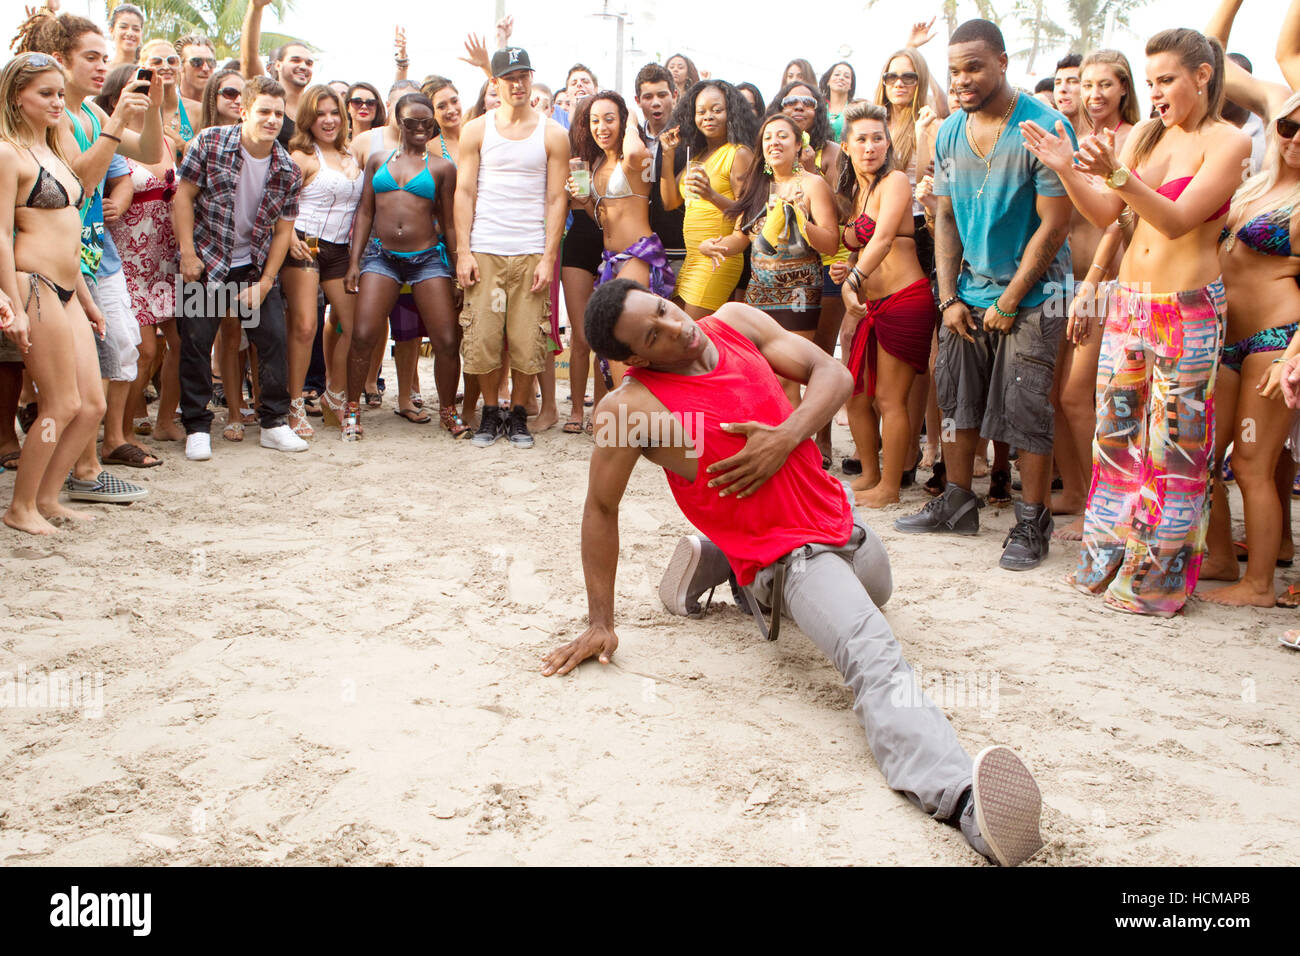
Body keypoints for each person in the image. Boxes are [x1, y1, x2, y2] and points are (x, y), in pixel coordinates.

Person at [542, 278, 1045, 870]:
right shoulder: (633, 410)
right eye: (654, 334)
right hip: (790, 559)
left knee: (878, 586)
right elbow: (601, 507)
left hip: (839, 523)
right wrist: (601, 621)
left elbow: (834, 376)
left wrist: (786, 436)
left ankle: (721, 555)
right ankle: (959, 797)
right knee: (872, 650)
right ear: (636, 358)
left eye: (665, 309)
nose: (676, 326)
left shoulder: (735, 323)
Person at [1021, 27, 1250, 614]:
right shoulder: (1147, 135)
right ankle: (1104, 563)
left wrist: (1121, 176)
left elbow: (1175, 221)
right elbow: (1107, 213)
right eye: (1150, 82)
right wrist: (1069, 169)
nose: (1156, 93)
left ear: (1202, 76)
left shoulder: (1227, 142)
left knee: (1174, 447)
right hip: (1129, 303)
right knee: (1115, 437)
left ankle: (1156, 584)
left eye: (1166, 80)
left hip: (1188, 309)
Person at [895, 19, 1074, 574]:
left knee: (1025, 405)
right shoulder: (950, 130)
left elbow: (1055, 226)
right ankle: (958, 500)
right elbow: (944, 218)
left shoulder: (1042, 126)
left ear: (1001, 61)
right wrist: (949, 296)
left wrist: (1009, 300)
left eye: (974, 66)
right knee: (955, 398)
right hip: (969, 290)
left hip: (1038, 293)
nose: (964, 79)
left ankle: (1031, 518)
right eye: (955, 71)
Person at [0, 52, 109, 534]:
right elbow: (3, 235)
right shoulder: (7, 154)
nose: (57, 102)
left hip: (68, 289)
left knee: (92, 406)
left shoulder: (55, 150)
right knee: (60, 404)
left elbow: (70, 232)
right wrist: (9, 303)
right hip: (33, 286)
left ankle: (46, 498)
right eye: (45, 93)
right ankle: (20, 506)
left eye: (60, 93)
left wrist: (86, 301)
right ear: (15, 96)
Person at [172, 75, 308, 461]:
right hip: (207, 260)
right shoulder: (211, 143)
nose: (272, 119)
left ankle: (273, 424)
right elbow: (183, 198)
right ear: (245, 111)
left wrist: (266, 282)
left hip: (253, 265)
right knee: (196, 343)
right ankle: (197, 427)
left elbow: (284, 232)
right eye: (264, 111)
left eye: (279, 113)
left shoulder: (287, 168)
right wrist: (187, 253)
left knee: (274, 339)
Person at [1200, 92, 1300, 607]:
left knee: (1253, 464)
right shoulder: (1254, 187)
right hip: (1226, 341)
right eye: (1289, 126)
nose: (1297, 137)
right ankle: (1220, 556)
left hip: (1274, 341)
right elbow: (1220, 75)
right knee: (1206, 457)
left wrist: (1292, 356)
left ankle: (1260, 584)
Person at [454, 47, 569, 448]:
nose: (518, 84)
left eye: (524, 75)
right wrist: (464, 251)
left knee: (526, 338)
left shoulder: (552, 133)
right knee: (483, 335)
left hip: (530, 249)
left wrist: (548, 257)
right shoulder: (476, 129)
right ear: (495, 83)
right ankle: (490, 411)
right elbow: (464, 190)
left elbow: (557, 199)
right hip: (485, 246)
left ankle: (518, 412)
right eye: (510, 77)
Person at [1050, 50, 1140, 536]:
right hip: (1063, 282)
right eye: (1087, 85)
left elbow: (1118, 219)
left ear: (1124, 88)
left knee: (1077, 396)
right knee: (1053, 394)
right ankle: (1075, 490)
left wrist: (1090, 287)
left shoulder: (1133, 140)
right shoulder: (1077, 142)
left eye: (1106, 84)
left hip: (1107, 282)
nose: (1094, 94)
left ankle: (1100, 507)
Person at [344, 92, 467, 439]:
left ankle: (447, 411)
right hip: (381, 256)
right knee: (364, 334)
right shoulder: (377, 160)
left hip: (427, 258)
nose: (420, 128)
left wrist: (457, 271)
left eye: (427, 123)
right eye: (412, 121)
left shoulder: (442, 167)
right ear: (398, 121)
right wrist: (355, 262)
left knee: (445, 339)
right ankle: (352, 410)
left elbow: (450, 222)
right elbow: (365, 212)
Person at [697, 113, 837, 402]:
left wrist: (801, 220)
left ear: (799, 144)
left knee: (787, 378)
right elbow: (741, 237)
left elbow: (832, 243)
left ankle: (794, 444)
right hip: (759, 293)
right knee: (759, 375)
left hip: (798, 292)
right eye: (768, 137)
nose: (774, 142)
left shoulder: (812, 185)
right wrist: (713, 246)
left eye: (783, 136)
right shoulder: (757, 185)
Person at [838, 103, 937, 508]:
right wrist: (847, 268)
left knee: (889, 399)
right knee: (856, 395)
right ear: (846, 147)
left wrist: (852, 280)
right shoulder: (858, 191)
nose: (869, 146)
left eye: (877, 137)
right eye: (860, 139)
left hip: (904, 299)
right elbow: (855, 246)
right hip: (871, 305)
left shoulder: (895, 180)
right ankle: (871, 473)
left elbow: (879, 241)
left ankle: (890, 488)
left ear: (887, 142)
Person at [98, 64, 183, 450]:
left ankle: (165, 420)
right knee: (143, 349)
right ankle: (124, 429)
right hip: (127, 254)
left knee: (178, 343)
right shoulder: (108, 137)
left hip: (167, 255)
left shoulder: (164, 141)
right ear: (117, 95)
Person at [284, 85, 363, 438]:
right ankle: (294, 404)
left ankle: (334, 394)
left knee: (354, 326)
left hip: (340, 250)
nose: (328, 120)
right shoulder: (301, 156)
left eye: (334, 112)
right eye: (320, 114)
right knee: (305, 327)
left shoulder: (353, 155)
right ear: (308, 119)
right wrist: (287, 238)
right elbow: (277, 202)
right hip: (304, 243)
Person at [659, 80, 756, 319]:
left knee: (691, 336)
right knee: (681, 332)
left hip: (718, 257)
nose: (708, 117)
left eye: (716, 110)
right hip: (693, 258)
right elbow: (670, 202)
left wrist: (711, 196)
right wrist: (669, 156)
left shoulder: (739, 153)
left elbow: (750, 213)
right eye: (701, 112)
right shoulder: (699, 156)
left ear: (730, 113)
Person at [240, 0, 313, 147]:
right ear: (278, 65)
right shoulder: (264, 93)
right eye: (295, 60)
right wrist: (256, 8)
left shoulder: (314, 107)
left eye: (309, 63)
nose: (303, 66)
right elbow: (249, 59)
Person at [137, 38, 191, 162]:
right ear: (143, 67)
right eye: (157, 62)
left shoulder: (196, 110)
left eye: (172, 61)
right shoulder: (135, 109)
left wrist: (183, 146)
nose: (166, 67)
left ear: (180, 67)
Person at [175, 32, 214, 127]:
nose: (205, 68)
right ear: (179, 65)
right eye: (197, 62)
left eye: (210, 62)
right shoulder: (167, 104)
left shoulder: (223, 104)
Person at [1052, 53, 1090, 139]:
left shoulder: (1105, 138)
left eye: (1072, 81)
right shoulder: (1048, 136)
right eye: (1057, 83)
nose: (1062, 89)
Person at [820, 61, 855, 140]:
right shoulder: (818, 107)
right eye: (837, 74)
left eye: (846, 76)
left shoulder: (855, 109)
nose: (841, 78)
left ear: (851, 85)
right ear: (828, 81)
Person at [106, 3, 143, 69]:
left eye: (136, 29)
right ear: (111, 31)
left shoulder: (146, 70)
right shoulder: (102, 70)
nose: (130, 33)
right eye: (123, 27)